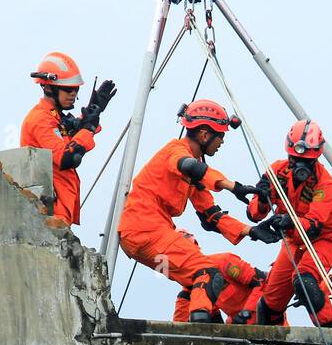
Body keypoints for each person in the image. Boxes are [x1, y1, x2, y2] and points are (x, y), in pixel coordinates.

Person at [117, 100, 283, 323]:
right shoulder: (176, 151)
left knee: (192, 283)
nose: (222, 142)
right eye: (220, 136)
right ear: (204, 135)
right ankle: (201, 332)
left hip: (140, 243)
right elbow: (188, 166)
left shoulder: (195, 171)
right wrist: (232, 186)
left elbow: (211, 216)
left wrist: (250, 231)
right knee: (207, 272)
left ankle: (198, 325)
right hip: (145, 230)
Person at [241, 119, 332, 326]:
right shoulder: (277, 172)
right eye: (295, 158)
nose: (300, 165)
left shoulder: (324, 184)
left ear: (316, 157)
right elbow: (254, 215)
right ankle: (271, 343)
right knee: (270, 303)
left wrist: (289, 221)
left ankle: (330, 332)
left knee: (305, 280)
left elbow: (314, 224)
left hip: (326, 237)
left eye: (307, 161)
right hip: (293, 240)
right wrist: (262, 198)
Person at [20, 52, 116, 226]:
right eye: (68, 89)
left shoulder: (54, 118)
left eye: (76, 89)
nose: (73, 93)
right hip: (50, 212)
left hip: (60, 211)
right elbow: (67, 158)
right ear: (49, 88)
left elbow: (68, 135)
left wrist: (92, 113)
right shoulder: (41, 120)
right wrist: (88, 128)